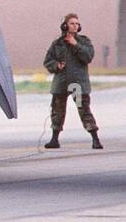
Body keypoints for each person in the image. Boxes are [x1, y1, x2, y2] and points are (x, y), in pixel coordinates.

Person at [42, 14, 102, 149]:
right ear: (65, 26)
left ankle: (95, 138)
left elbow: (88, 57)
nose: (75, 26)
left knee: (84, 110)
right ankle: (54, 139)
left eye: (77, 24)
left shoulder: (84, 42)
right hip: (61, 83)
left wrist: (76, 45)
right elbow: (48, 61)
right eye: (72, 23)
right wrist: (56, 66)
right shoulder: (57, 43)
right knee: (57, 111)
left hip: (77, 84)